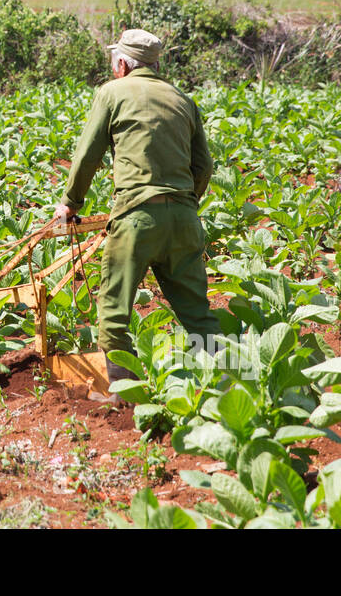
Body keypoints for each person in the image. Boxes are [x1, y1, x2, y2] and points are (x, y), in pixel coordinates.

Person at [53, 28, 218, 387]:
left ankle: (122, 396)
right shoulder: (182, 99)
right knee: (198, 315)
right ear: (155, 65)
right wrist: (185, 202)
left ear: (123, 65)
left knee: (113, 315)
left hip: (137, 220)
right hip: (185, 219)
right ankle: (232, 385)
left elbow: (87, 156)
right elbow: (204, 167)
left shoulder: (112, 93)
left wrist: (70, 204)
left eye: (115, 64)